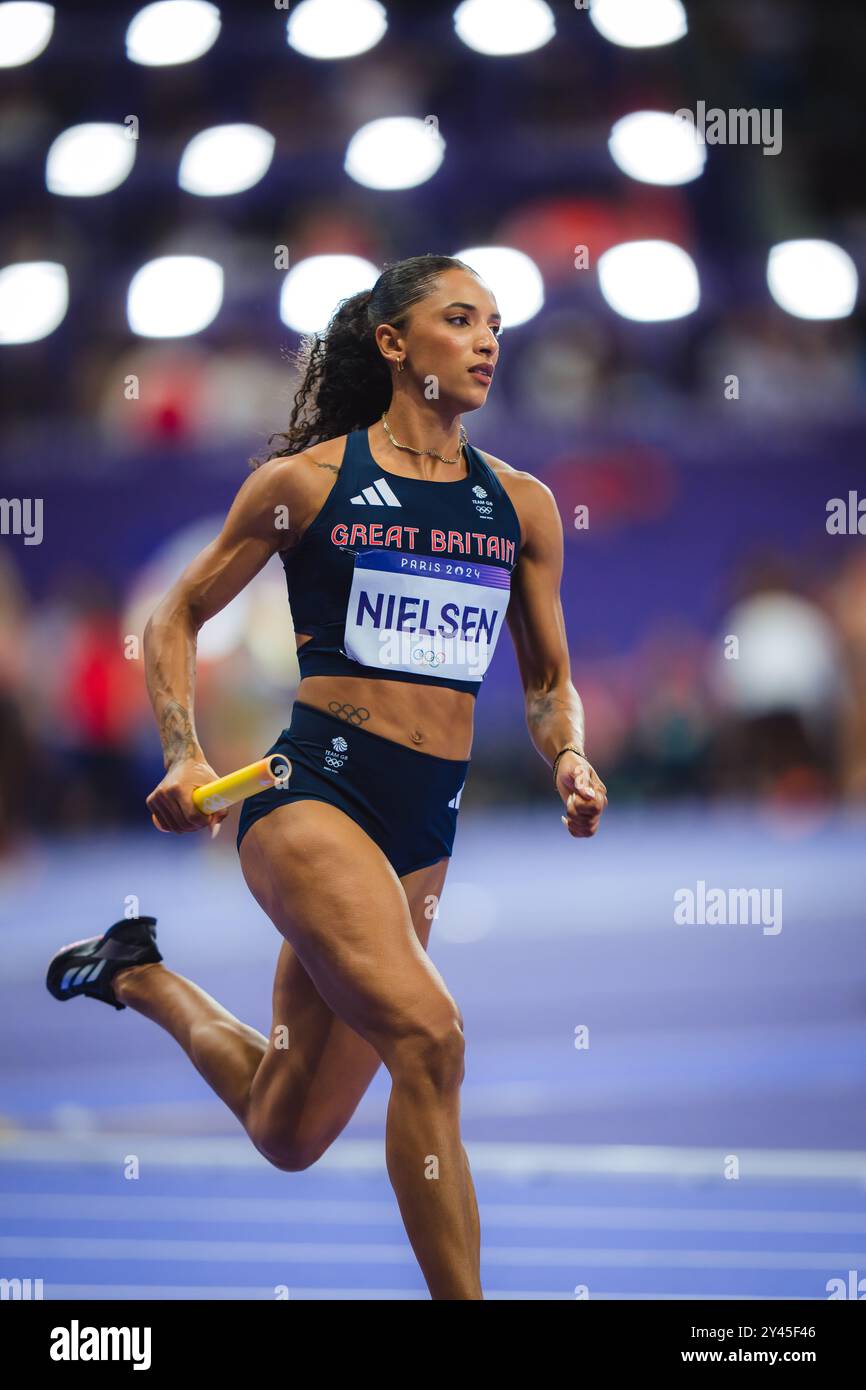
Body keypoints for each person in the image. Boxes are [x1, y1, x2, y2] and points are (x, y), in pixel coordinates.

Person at [46, 254, 608, 1300]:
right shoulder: (306, 483)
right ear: (393, 342)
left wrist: (566, 750)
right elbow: (173, 616)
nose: (488, 340)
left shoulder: (519, 507)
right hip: (309, 798)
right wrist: (182, 749)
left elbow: (547, 684)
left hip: (422, 831)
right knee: (430, 1040)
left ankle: (137, 974)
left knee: (288, 1126)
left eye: (495, 323)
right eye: (459, 319)